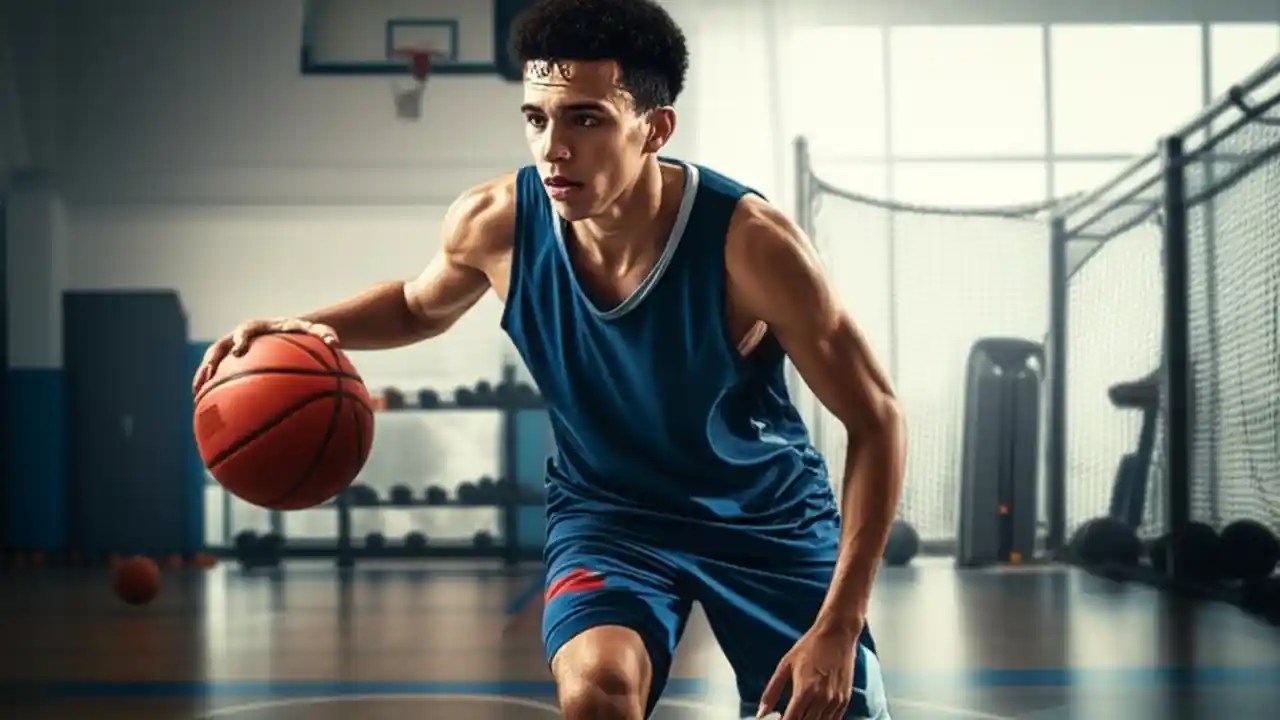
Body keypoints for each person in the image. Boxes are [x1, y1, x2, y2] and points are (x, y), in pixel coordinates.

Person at [192, 0, 906, 717]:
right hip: (611, 515)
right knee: (597, 691)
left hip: (765, 520)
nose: (552, 147)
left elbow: (876, 421)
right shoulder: (496, 221)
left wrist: (840, 625)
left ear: (654, 129)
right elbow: (417, 306)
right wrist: (302, 325)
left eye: (585, 119)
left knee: (834, 708)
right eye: (537, 118)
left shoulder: (750, 245)